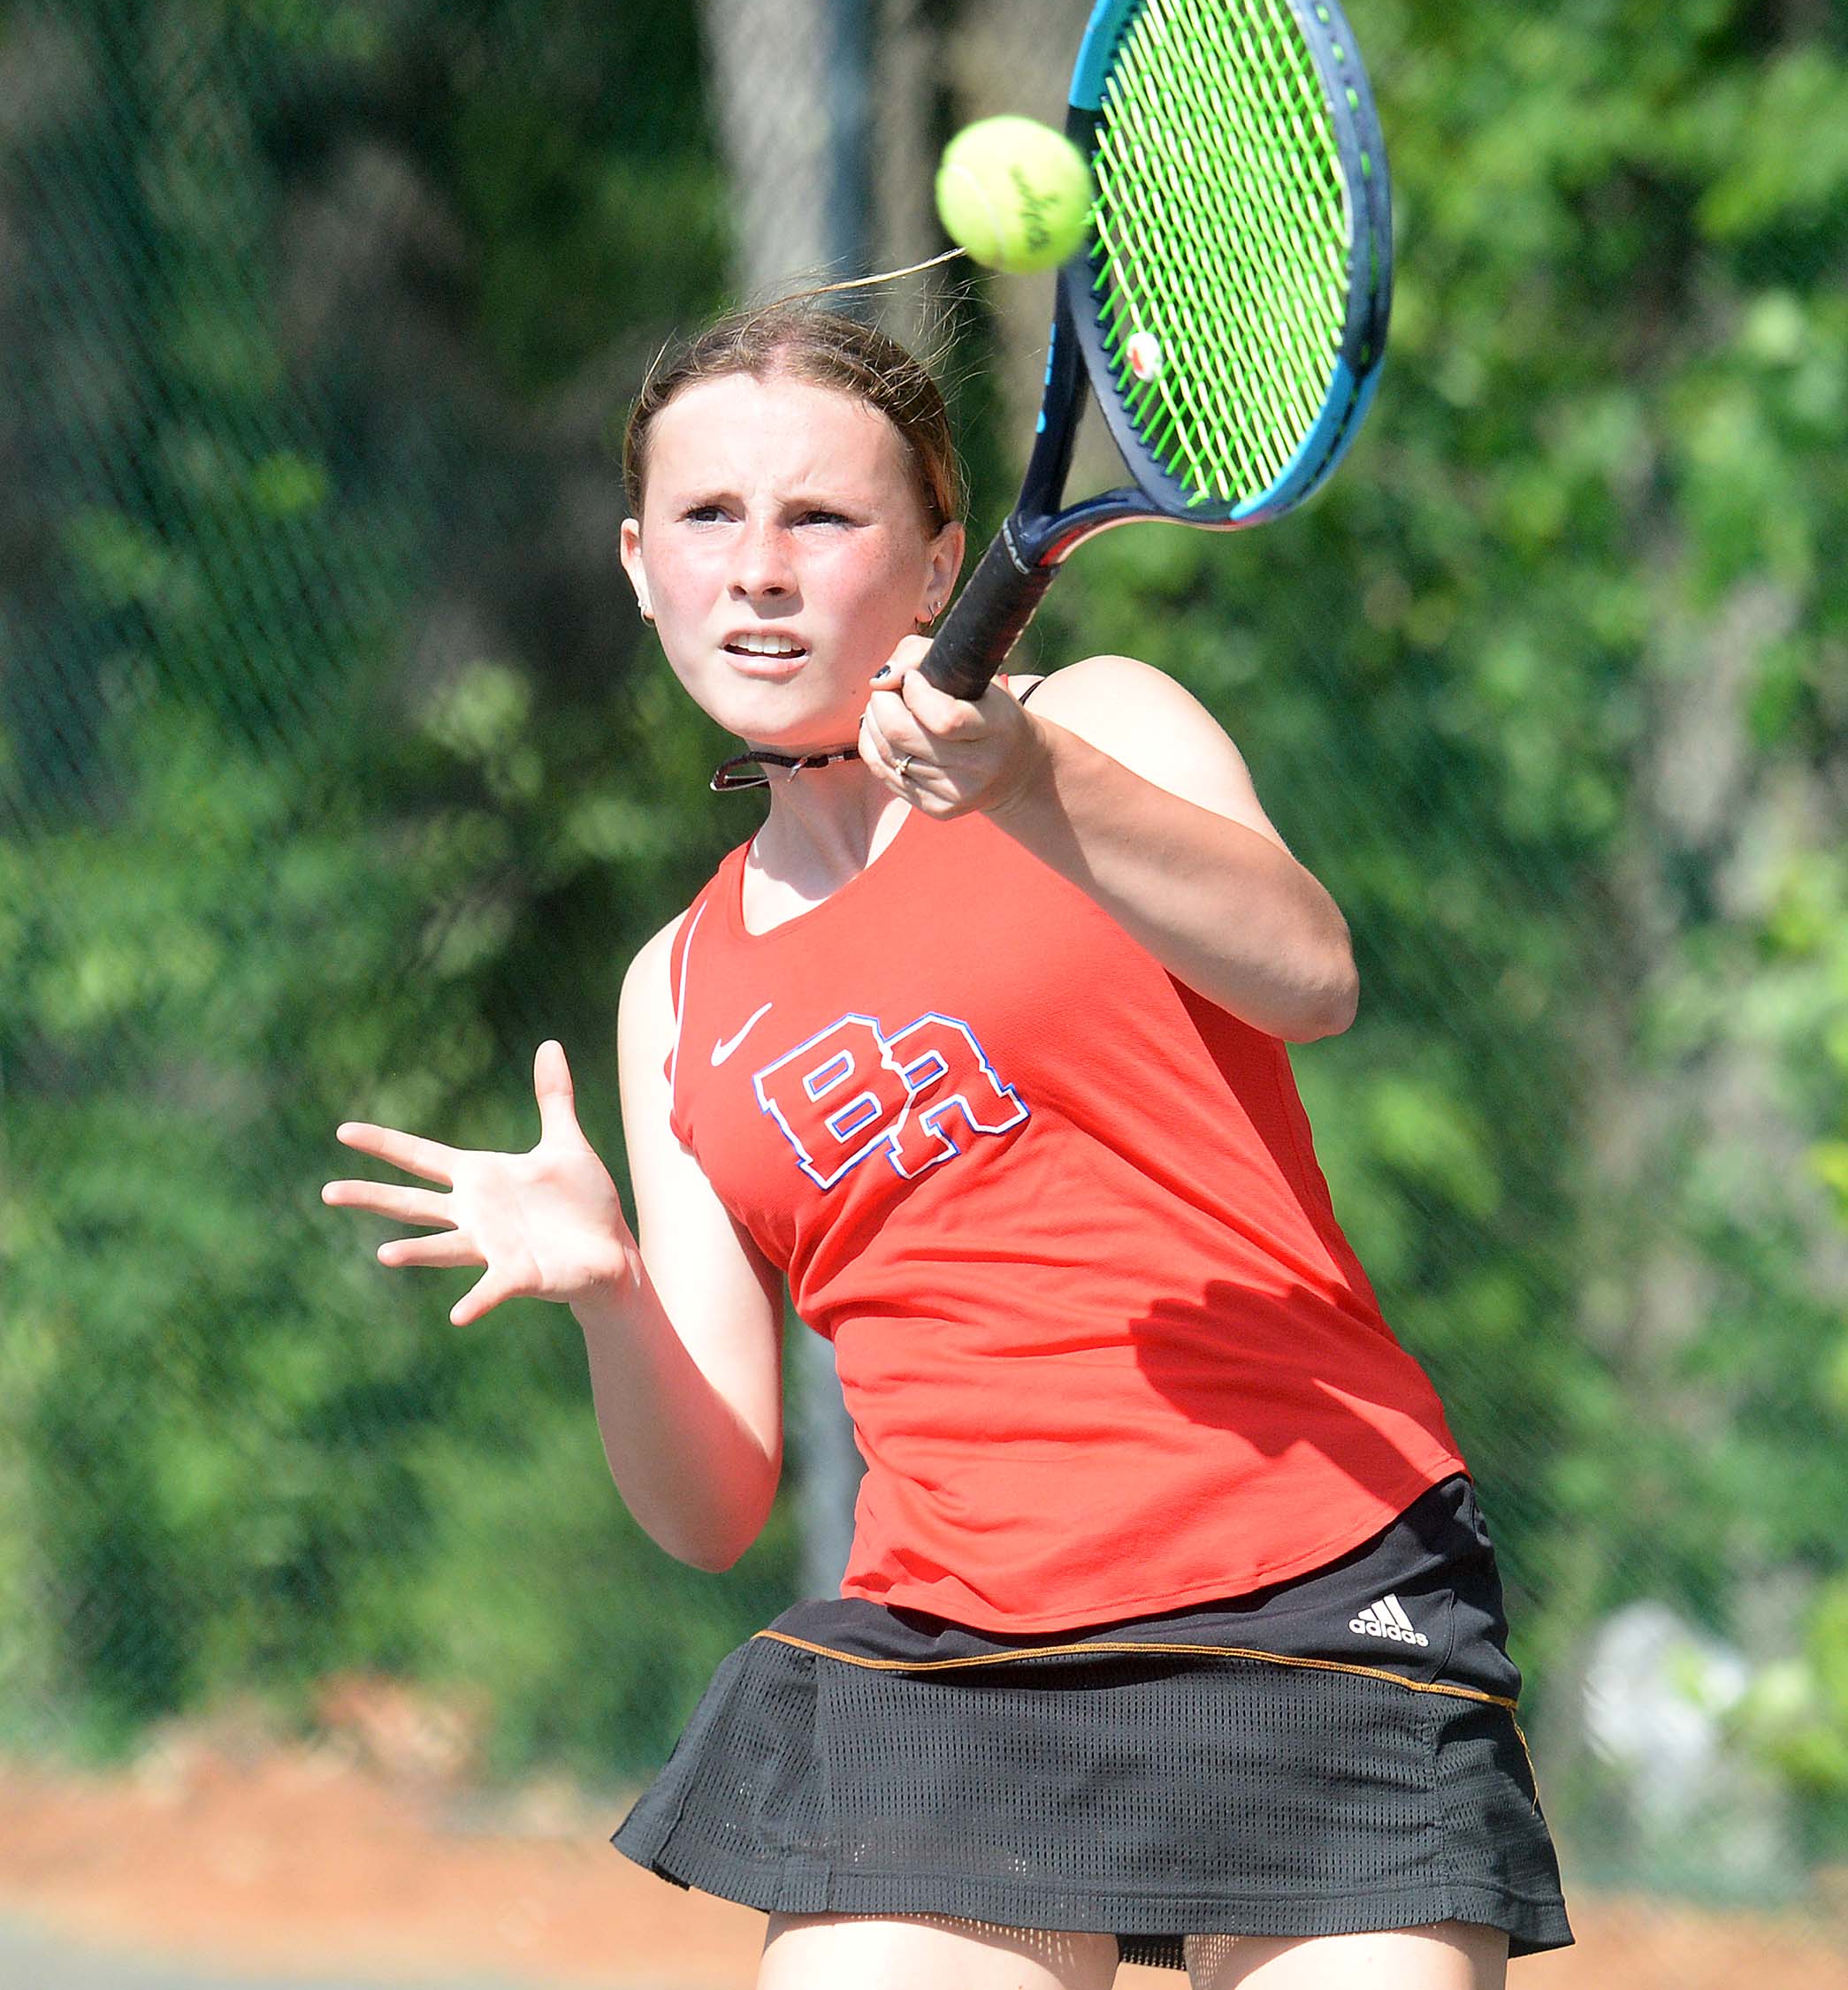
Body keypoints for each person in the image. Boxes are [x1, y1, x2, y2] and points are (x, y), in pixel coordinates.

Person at [323, 303, 1570, 1990]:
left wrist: (1030, 775)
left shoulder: (1102, 717)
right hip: (952, 1641)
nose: (758, 568)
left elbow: (1307, 974)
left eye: (820, 518)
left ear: (931, 561)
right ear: (638, 563)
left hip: (1312, 1570)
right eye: (707, 518)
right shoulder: (675, 988)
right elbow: (709, 1505)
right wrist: (611, 1290)